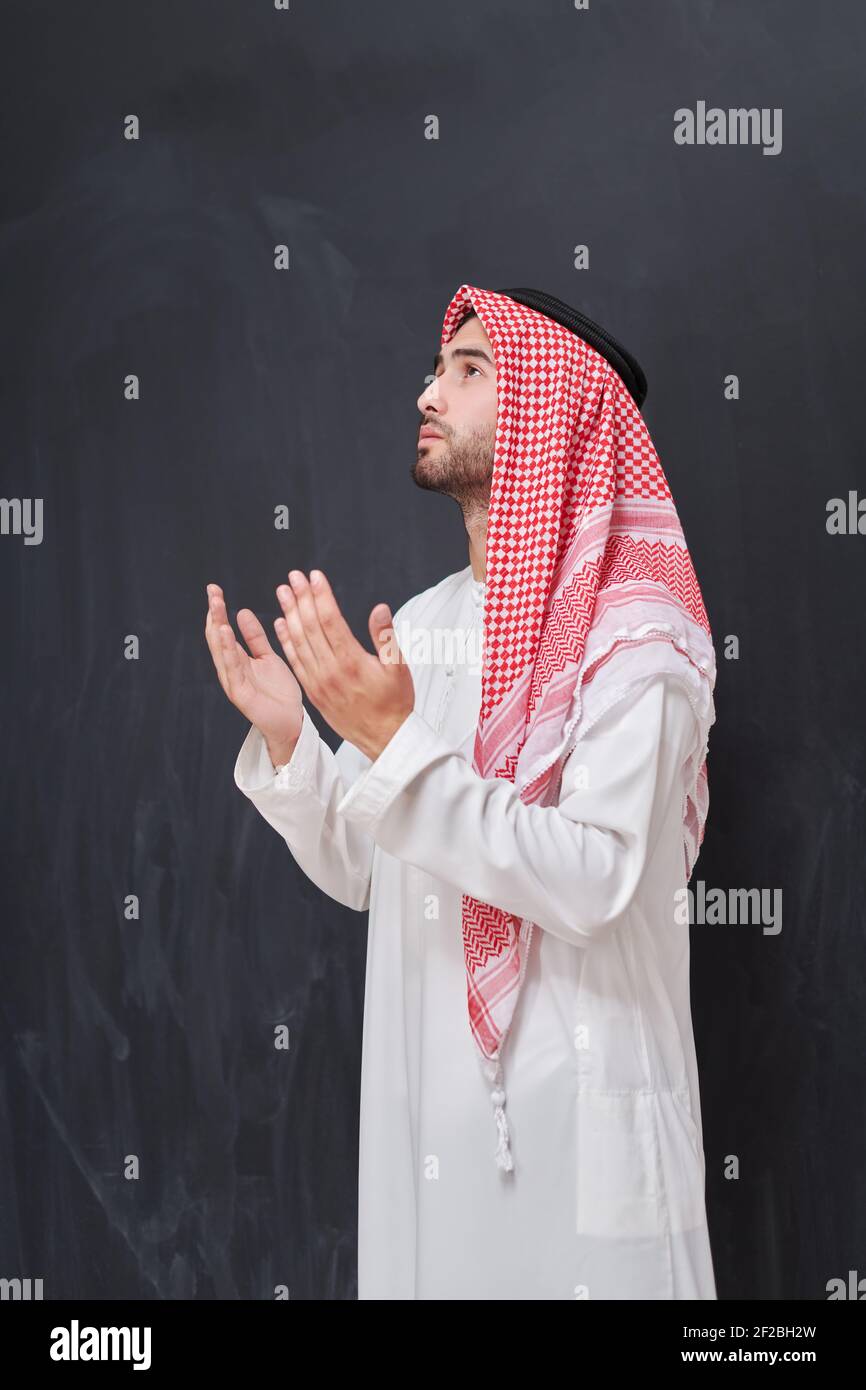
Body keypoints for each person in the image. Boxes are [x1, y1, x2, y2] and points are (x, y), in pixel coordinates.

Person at [204, 284, 718, 1300]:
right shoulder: (432, 622)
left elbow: (594, 877)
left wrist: (393, 741)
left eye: (468, 371)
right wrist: (294, 740)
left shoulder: (636, 644)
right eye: (437, 369)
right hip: (429, 1152)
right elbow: (368, 859)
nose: (427, 392)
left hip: (579, 1146)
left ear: (552, 417)